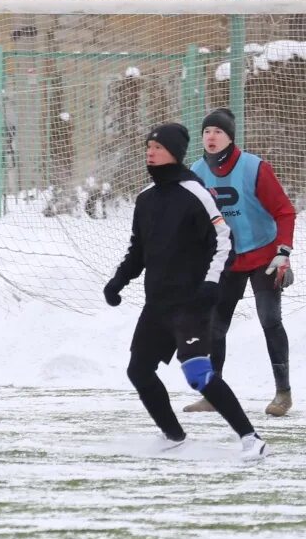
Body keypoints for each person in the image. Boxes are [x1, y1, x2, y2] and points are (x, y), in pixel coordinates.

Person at [103, 123, 267, 461]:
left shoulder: (195, 192)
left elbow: (224, 241)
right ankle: (174, 436)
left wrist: (210, 284)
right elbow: (138, 250)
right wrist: (119, 280)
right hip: (157, 304)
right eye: (148, 146)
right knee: (138, 371)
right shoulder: (145, 199)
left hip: (191, 303)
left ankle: (251, 438)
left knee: (198, 374)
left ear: (174, 153)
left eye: (157, 147)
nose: (150, 152)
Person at [182, 108, 296, 417]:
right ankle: (212, 394)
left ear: (230, 137)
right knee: (214, 328)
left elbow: (285, 211)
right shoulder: (196, 172)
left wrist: (283, 253)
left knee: (269, 319)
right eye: (207, 131)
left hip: (264, 255)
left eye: (218, 131)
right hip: (227, 259)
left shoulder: (254, 168)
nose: (211, 136)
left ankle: (283, 393)